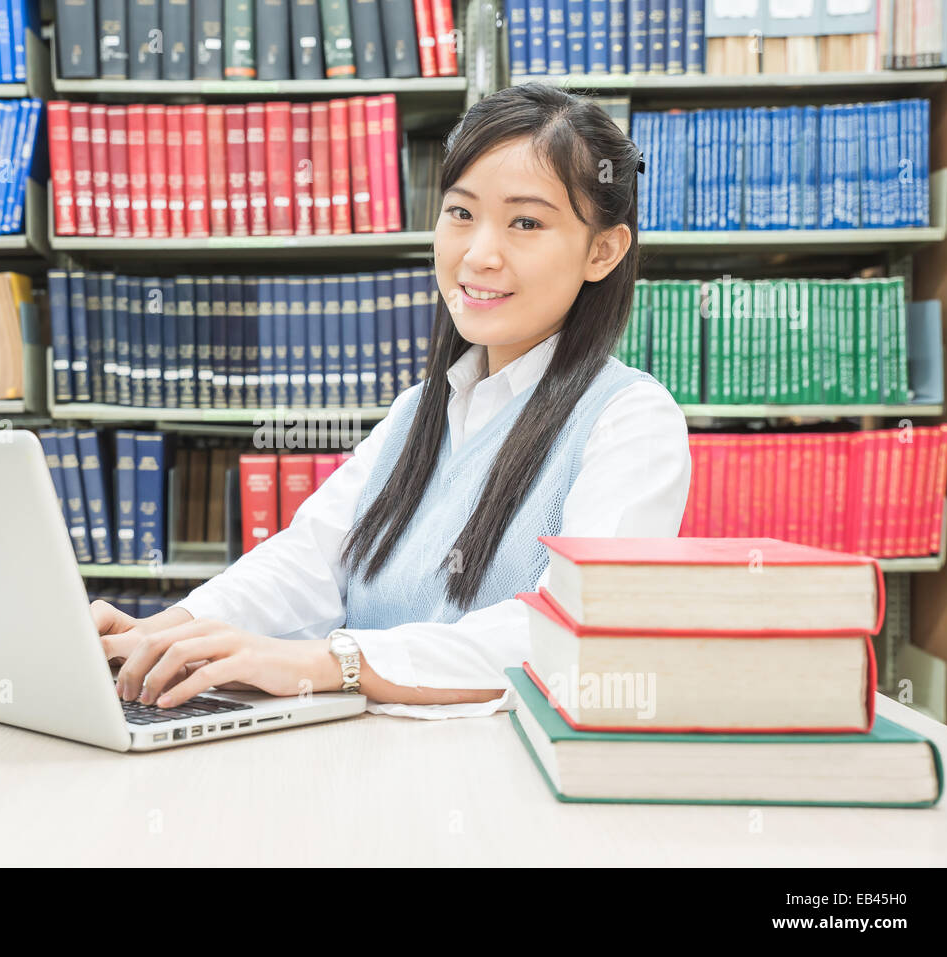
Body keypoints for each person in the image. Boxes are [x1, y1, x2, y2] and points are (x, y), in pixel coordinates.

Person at [92, 82, 692, 718]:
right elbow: (310, 561)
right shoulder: (420, 411)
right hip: (363, 764)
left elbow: (571, 632)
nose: (478, 254)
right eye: (460, 213)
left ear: (603, 250)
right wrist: (167, 631)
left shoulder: (630, 421)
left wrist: (328, 665)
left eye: (525, 222)